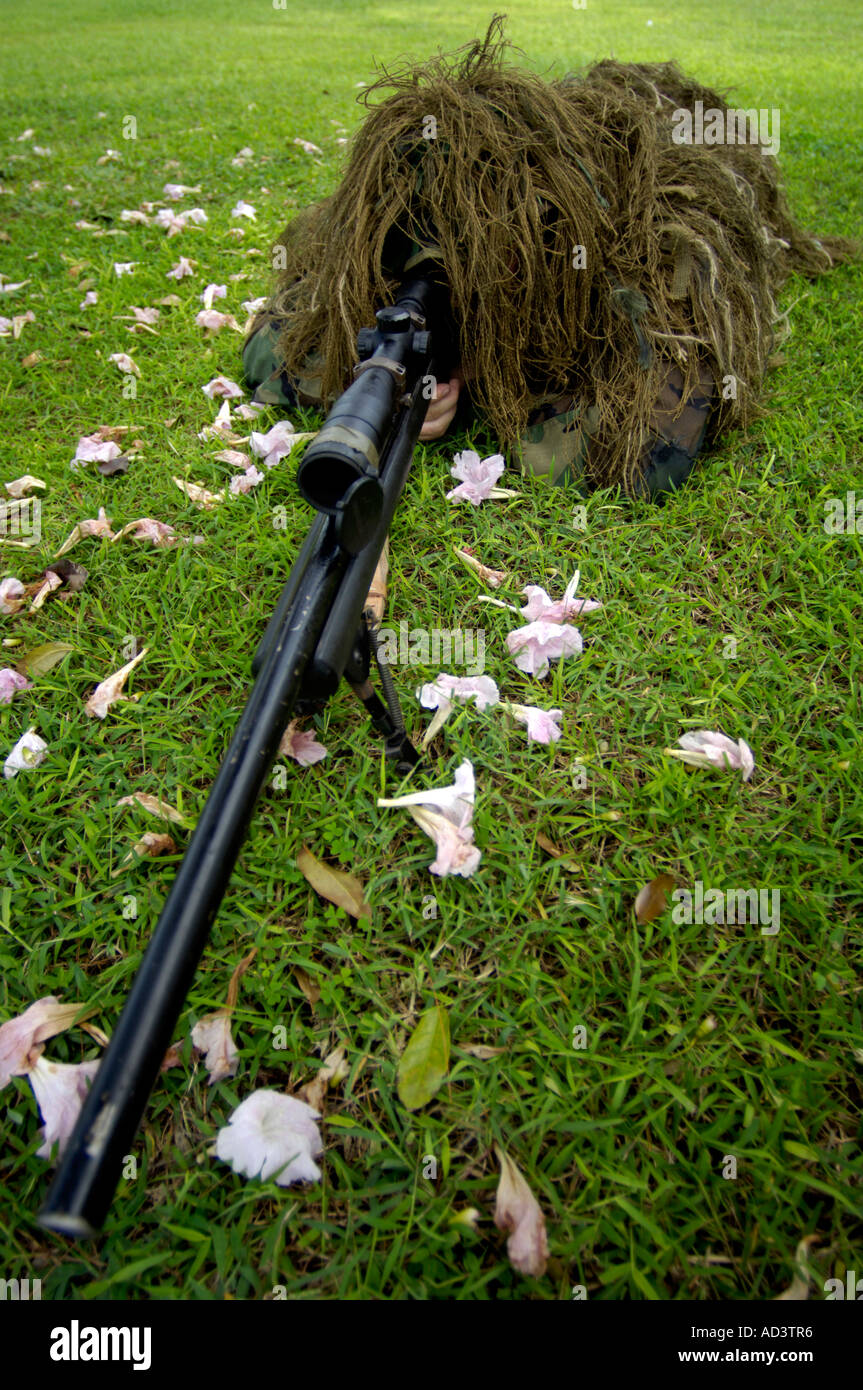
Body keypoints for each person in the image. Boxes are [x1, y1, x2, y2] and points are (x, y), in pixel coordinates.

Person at [243, 16, 856, 500]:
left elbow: (648, 449)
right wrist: (371, 379)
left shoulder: (650, 247)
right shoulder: (394, 206)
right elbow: (278, 336)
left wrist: (485, 389)